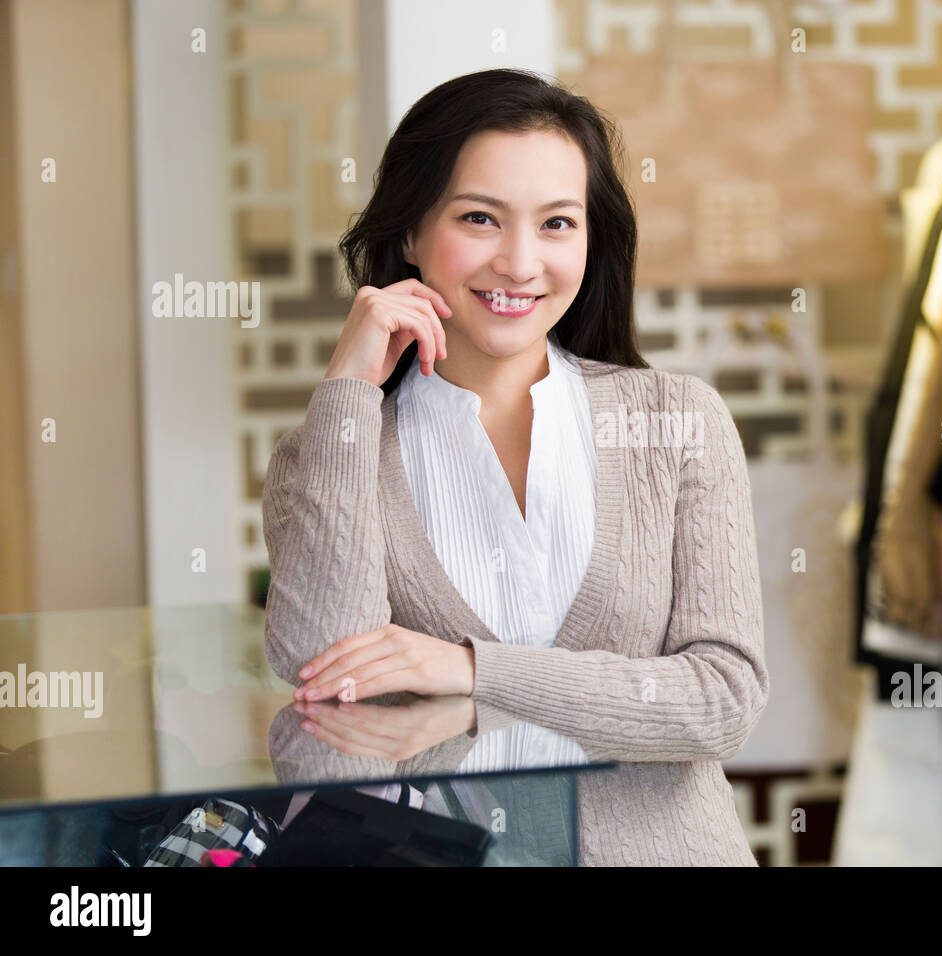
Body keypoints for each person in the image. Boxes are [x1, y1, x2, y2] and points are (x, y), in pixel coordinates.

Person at [261, 68, 769, 865]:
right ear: (409, 234)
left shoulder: (677, 422)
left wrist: (471, 673)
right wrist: (347, 395)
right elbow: (328, 696)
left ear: (591, 241)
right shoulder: (324, 455)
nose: (521, 263)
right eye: (479, 218)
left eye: (558, 224)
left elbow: (721, 702)